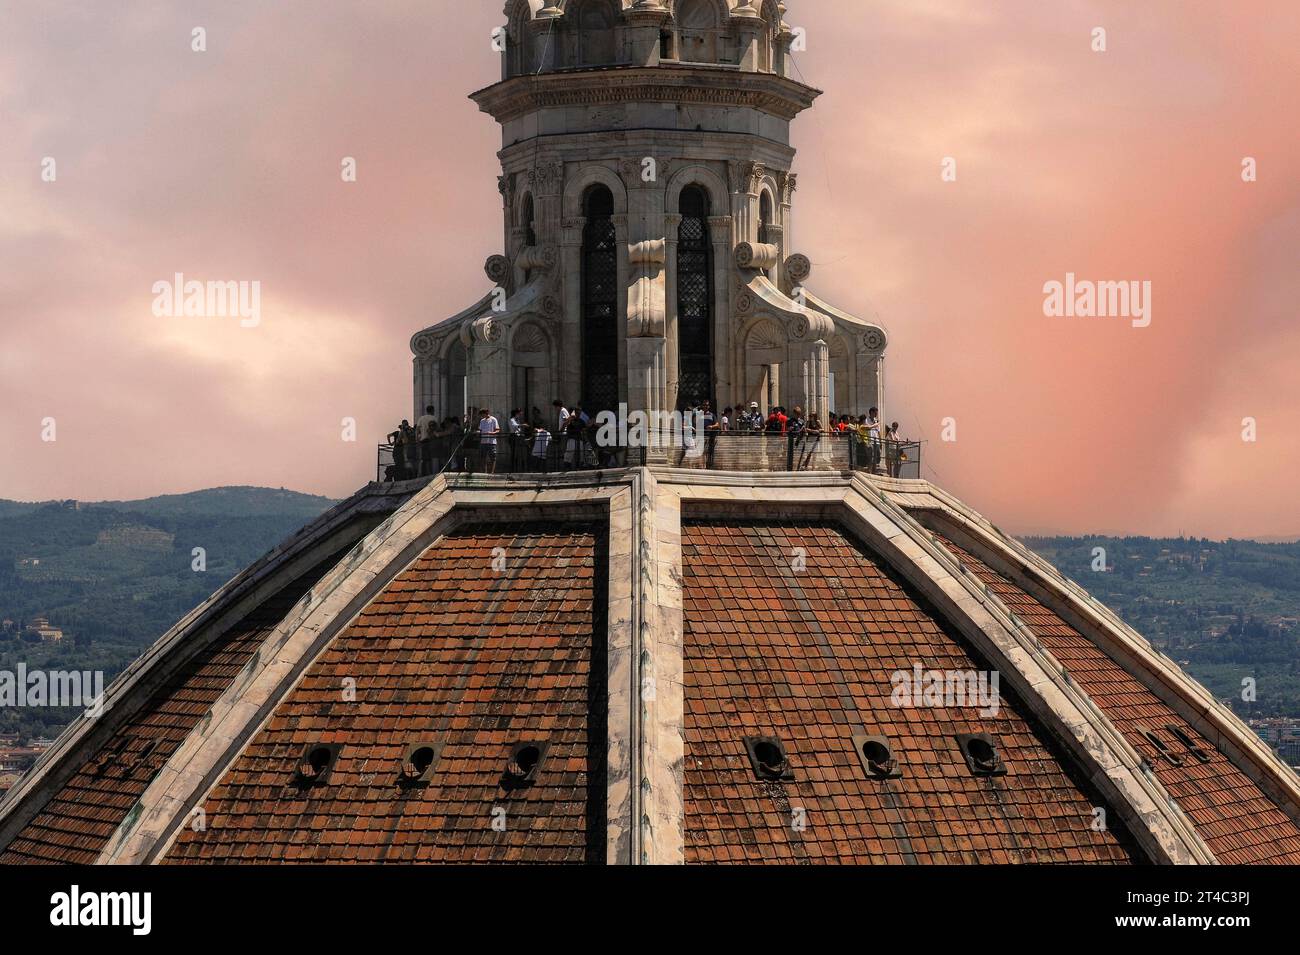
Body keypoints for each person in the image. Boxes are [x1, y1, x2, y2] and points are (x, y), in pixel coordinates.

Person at [477, 408, 500, 474]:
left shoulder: (493, 419)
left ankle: (491, 472)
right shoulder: (482, 421)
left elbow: (497, 430)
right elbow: (481, 430)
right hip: (483, 441)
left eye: (482, 414)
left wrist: (492, 433)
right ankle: (484, 471)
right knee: (483, 457)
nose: (482, 416)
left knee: (493, 457)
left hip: (491, 441)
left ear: (485, 413)